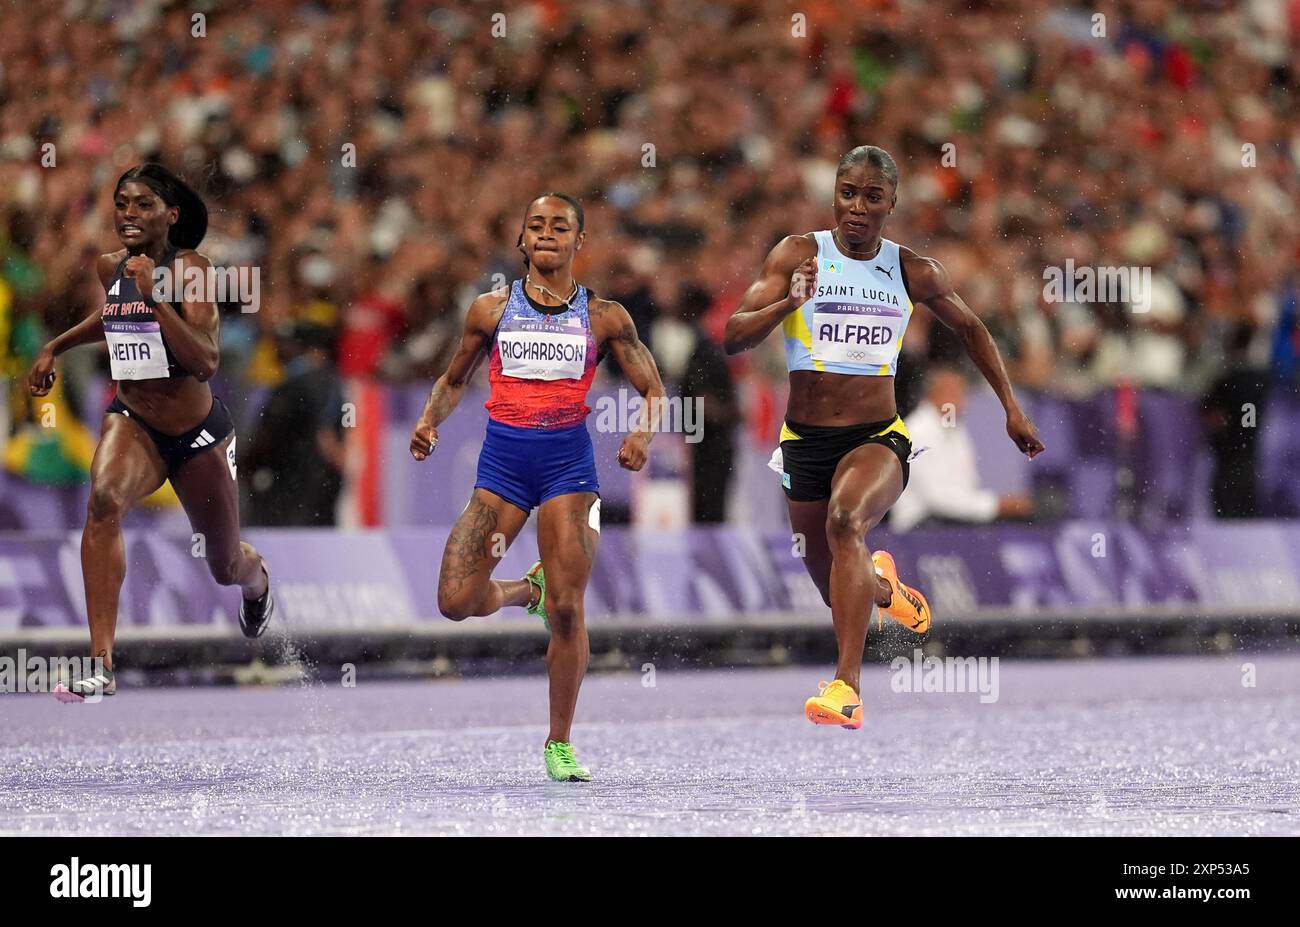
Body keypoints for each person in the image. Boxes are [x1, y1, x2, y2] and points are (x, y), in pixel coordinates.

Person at [725, 146, 1044, 730]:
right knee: (836, 590)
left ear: (891, 203)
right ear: (834, 196)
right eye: (848, 192)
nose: (857, 207)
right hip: (803, 443)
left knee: (846, 522)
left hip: (877, 438)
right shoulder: (798, 255)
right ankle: (884, 588)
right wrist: (786, 303)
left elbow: (972, 328)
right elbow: (733, 336)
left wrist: (1010, 407)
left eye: (873, 196)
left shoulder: (912, 270)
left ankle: (846, 688)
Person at [409, 193, 666, 781]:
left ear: (580, 241)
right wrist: (429, 420)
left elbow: (654, 391)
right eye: (536, 225)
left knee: (569, 610)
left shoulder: (606, 318)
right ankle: (527, 592)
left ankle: (559, 742)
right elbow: (452, 381)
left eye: (560, 226)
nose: (547, 233)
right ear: (521, 240)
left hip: (567, 472)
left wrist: (642, 436)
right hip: (502, 470)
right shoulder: (489, 311)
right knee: (454, 601)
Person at [26, 164, 273, 701]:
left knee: (225, 566)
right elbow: (114, 314)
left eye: (142, 204)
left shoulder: (192, 272)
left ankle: (258, 582)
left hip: (198, 435)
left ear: (171, 215)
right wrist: (56, 346)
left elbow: (206, 361)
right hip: (133, 419)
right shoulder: (109, 265)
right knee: (104, 501)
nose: (128, 215)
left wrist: (155, 297)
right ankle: (101, 663)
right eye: (121, 204)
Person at [890, 364, 1035, 531]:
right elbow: (937, 498)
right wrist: (996, 505)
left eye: (962, 394)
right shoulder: (917, 431)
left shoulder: (955, 430)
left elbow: (967, 485)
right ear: (934, 394)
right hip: (919, 528)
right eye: (954, 394)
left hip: (952, 523)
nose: (962, 402)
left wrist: (994, 506)